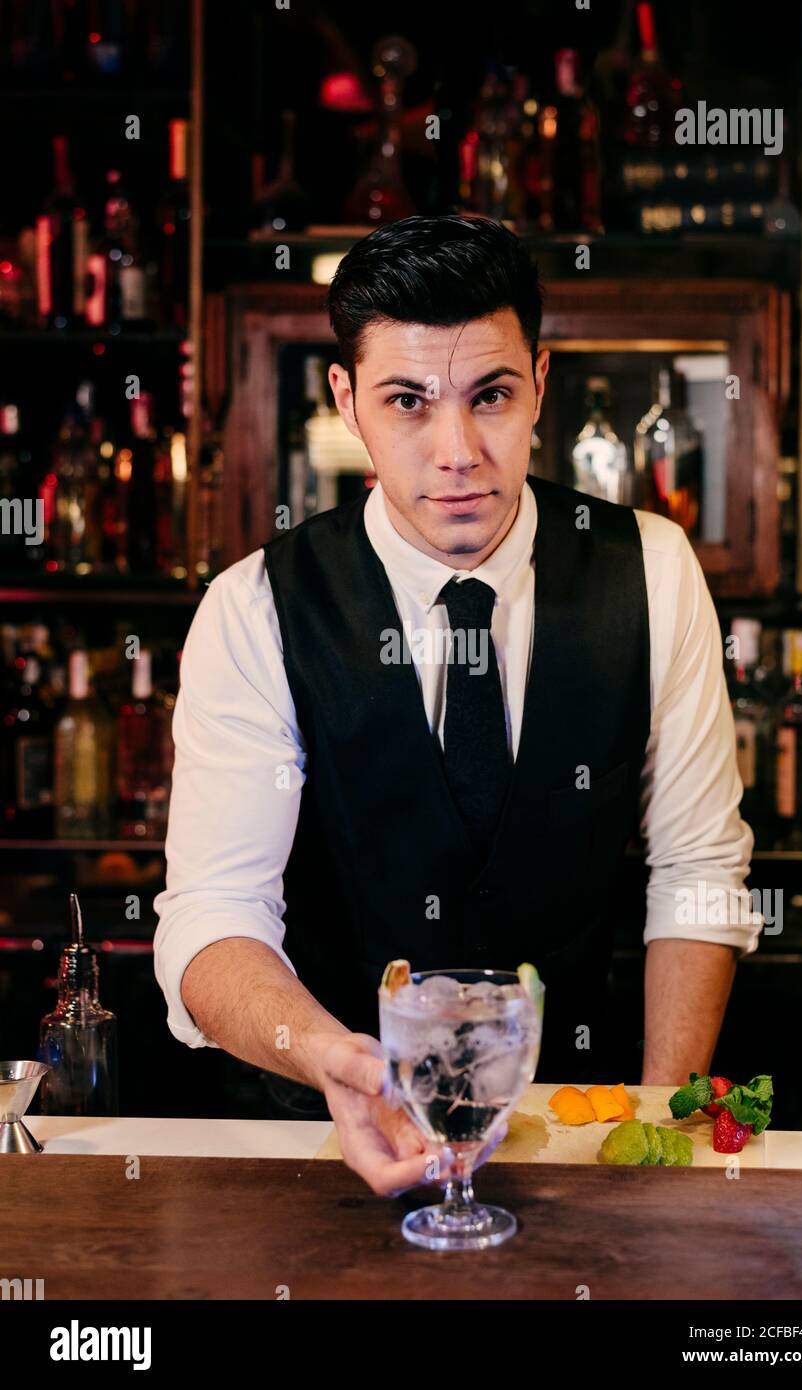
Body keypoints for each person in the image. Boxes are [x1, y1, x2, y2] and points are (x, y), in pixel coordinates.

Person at [154, 214, 760, 1197]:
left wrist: (656, 1126)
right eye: (408, 400)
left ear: (540, 384)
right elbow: (214, 913)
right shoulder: (256, 607)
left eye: (491, 395)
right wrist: (329, 1060)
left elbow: (697, 867)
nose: (458, 450)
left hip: (576, 1135)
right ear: (346, 398)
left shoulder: (649, 570)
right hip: (326, 1141)